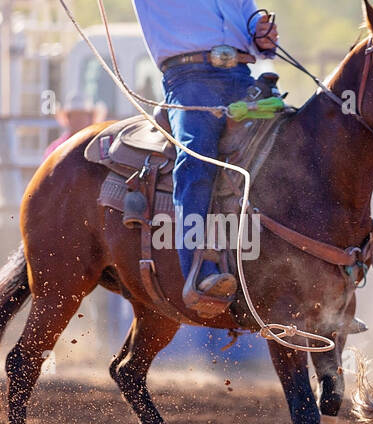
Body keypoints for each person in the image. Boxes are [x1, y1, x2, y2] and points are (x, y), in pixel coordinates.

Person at [130, 0, 278, 309]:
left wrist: (261, 35)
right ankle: (199, 272)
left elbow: (253, 28)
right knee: (196, 158)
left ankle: (309, 269)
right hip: (189, 81)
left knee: (292, 143)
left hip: (242, 77)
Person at [42, 96, 107, 161]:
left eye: (82, 115)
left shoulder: (100, 146)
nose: (78, 119)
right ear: (68, 119)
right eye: (74, 116)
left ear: (90, 118)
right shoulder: (55, 148)